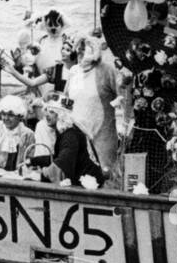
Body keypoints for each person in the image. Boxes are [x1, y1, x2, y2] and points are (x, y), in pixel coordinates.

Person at [64, 34, 119, 179]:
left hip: (102, 134)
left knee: (104, 173)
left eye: (85, 49)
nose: (81, 53)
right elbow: (67, 100)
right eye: (79, 50)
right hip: (77, 133)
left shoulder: (107, 70)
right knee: (79, 173)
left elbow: (123, 97)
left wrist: (125, 123)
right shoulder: (73, 71)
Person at [40, 95, 104, 188]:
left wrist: (42, 174)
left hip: (89, 184)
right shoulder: (68, 131)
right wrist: (33, 161)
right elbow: (59, 157)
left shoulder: (70, 135)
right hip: (84, 181)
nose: (47, 115)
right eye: (46, 110)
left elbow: (63, 161)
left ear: (61, 115)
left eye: (52, 112)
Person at [0, 95, 36, 176]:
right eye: (3, 114)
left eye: (11, 115)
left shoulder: (28, 134)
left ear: (19, 116)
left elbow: (30, 159)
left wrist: (20, 173)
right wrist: (7, 175)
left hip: (18, 176)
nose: (6, 118)